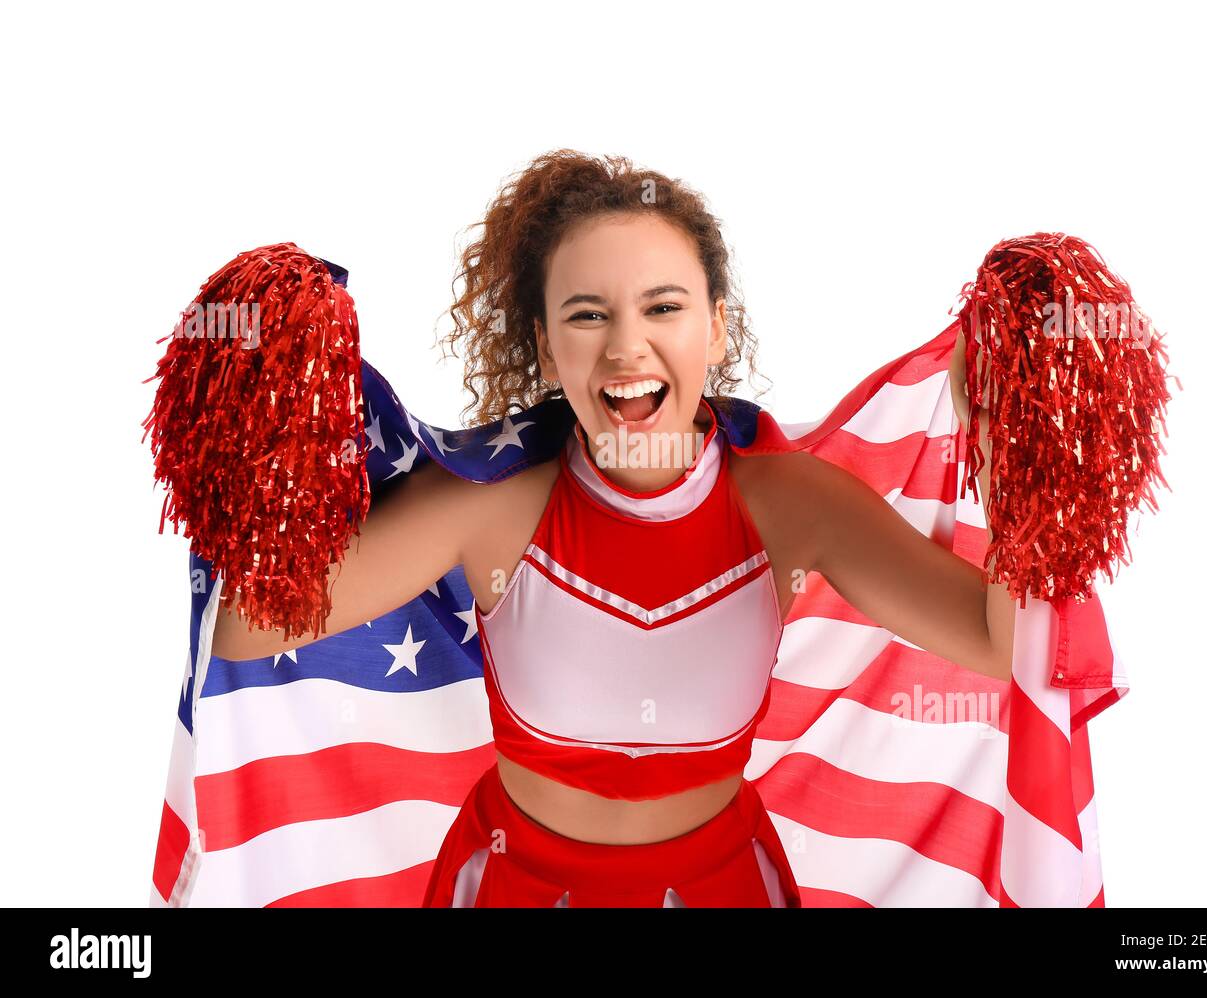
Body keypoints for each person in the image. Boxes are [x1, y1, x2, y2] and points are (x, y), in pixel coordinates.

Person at [209, 150, 1016, 907]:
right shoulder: (491, 505)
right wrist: (279, 406)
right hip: (517, 884)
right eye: (587, 315)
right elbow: (246, 627)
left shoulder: (791, 505)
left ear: (717, 327)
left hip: (724, 886)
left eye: (664, 306)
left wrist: (1014, 440)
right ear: (545, 346)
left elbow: (994, 641)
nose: (627, 346)